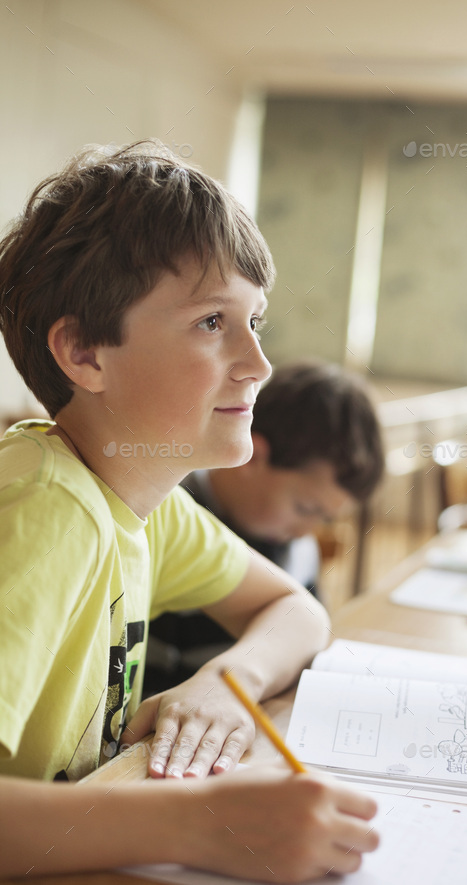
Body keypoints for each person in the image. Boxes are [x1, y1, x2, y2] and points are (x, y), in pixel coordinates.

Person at [0, 142, 379, 881]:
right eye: (212, 322)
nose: (258, 363)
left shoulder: (146, 500)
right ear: (84, 352)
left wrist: (225, 683)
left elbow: (296, 610)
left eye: (255, 321)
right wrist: (196, 823)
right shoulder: (48, 508)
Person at [145, 360, 385, 693]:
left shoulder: (299, 545)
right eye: (305, 508)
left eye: (324, 517)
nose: (308, 531)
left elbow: (309, 645)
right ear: (254, 456)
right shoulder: (172, 520)